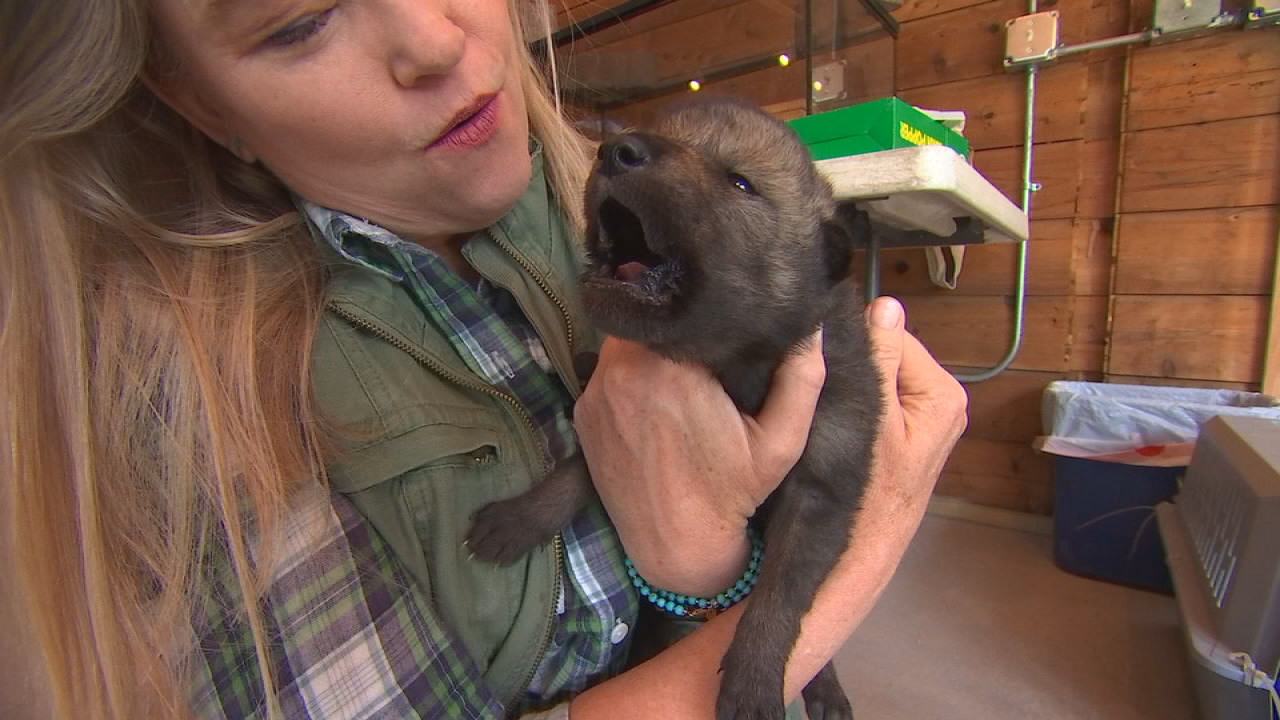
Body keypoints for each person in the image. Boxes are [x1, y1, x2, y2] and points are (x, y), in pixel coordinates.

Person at [0, 0, 968, 718]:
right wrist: (857, 546)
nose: (430, 38)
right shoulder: (188, 394)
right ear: (200, 103)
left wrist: (716, 554)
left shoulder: (597, 194)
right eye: (299, 20)